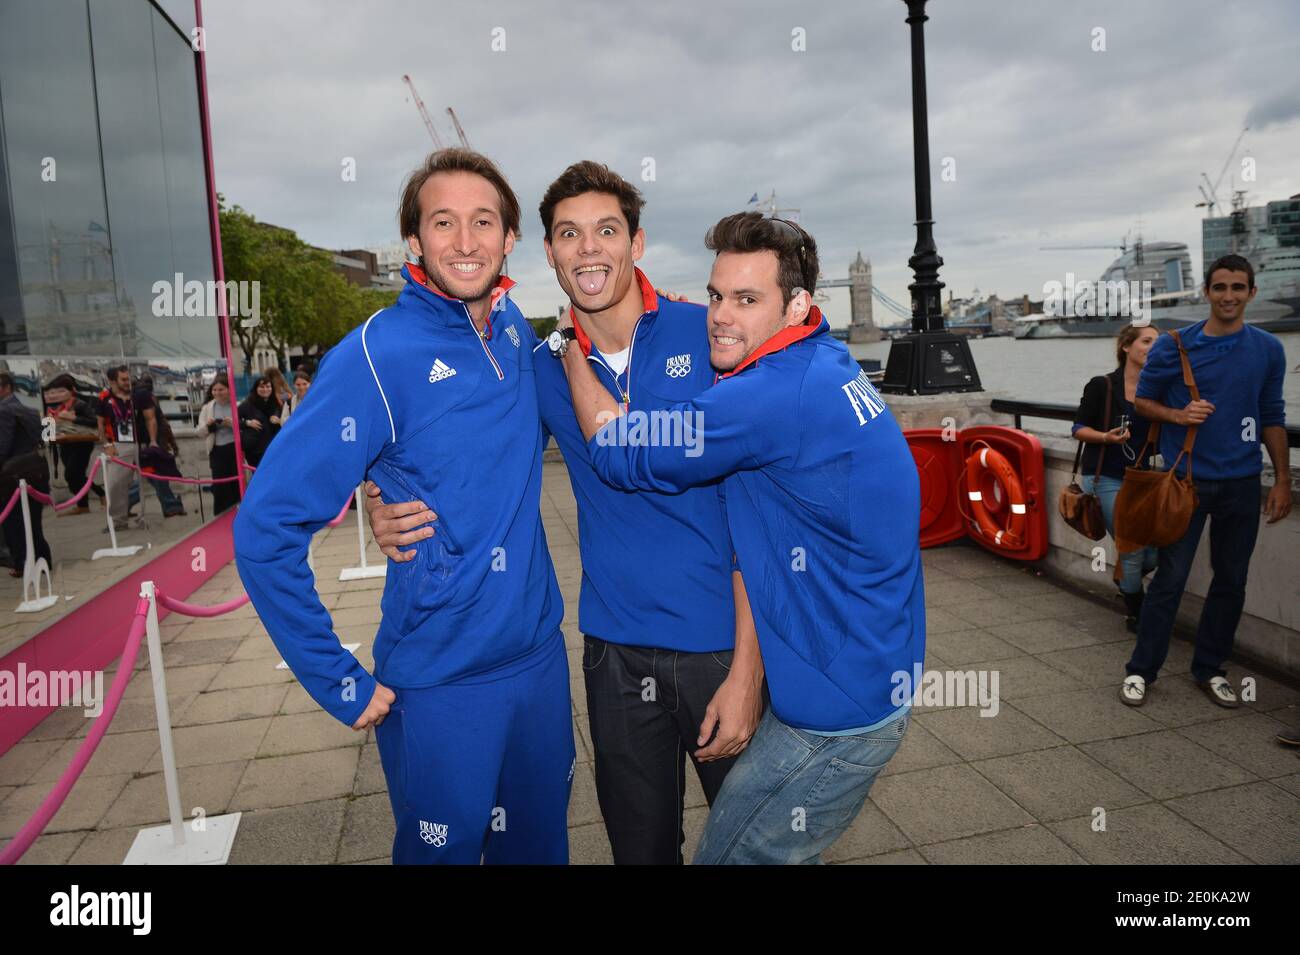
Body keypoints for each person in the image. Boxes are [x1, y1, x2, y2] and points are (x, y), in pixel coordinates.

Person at [367, 161, 764, 865]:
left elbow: (764, 514)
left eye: (606, 230)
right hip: (613, 653)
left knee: (761, 848)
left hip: (720, 648)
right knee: (641, 854)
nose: (589, 249)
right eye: (569, 234)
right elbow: (461, 443)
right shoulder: (537, 364)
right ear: (546, 251)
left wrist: (749, 672)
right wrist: (383, 495)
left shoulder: (708, 336)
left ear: (636, 243)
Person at [234, 148, 573, 865]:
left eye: (483, 221)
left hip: (540, 665)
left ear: (509, 237)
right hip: (441, 682)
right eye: (442, 222)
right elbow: (265, 530)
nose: (465, 240)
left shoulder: (513, 333)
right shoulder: (374, 355)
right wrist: (339, 679)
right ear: (414, 242)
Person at [558, 212, 924, 864]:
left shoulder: (769, 396)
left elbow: (619, 450)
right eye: (716, 295)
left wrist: (568, 349)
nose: (721, 316)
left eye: (747, 299)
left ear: (797, 304)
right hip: (863, 679)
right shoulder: (822, 355)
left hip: (834, 719)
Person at [1120, 254, 1291, 708]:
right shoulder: (1175, 345)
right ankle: (1141, 671)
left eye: (1238, 288)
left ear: (1251, 293)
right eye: (1220, 288)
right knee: (1170, 580)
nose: (1229, 296)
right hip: (1186, 484)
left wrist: (1282, 480)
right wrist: (1178, 414)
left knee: (1231, 581)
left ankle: (1210, 668)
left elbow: (1273, 415)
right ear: (1207, 293)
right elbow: (1143, 403)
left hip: (1242, 482)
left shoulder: (1269, 349)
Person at [1070, 323, 1160, 630]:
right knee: (1133, 550)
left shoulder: (1158, 389)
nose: (1152, 347)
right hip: (1106, 477)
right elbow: (1078, 428)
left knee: (1156, 551)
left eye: (1156, 343)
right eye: (1146, 341)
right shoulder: (1103, 386)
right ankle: (1140, 613)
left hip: (1146, 480)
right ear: (1126, 347)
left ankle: (1128, 582)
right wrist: (1107, 438)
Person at [0, 372, 52, 576]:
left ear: (5, 387)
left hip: (12, 477)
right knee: (33, 522)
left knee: (15, 523)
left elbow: (2, 447)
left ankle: (24, 563)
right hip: (34, 472)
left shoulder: (3, 411)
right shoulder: (29, 410)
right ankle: (43, 561)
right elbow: (44, 437)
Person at [96, 365, 159, 531]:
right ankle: (118, 522)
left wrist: (153, 441)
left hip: (140, 442)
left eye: (128, 378)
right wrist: (107, 445)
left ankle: (143, 517)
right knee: (115, 484)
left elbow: (150, 418)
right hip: (118, 445)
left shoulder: (139, 396)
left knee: (149, 480)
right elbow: (100, 424)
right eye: (123, 379)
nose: (127, 382)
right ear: (112, 381)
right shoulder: (104, 397)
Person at [42, 373, 105, 515]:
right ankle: (85, 504)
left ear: (71, 391)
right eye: (53, 392)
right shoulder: (58, 408)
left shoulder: (80, 405)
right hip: (66, 444)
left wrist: (73, 417)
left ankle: (92, 499)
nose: (56, 395)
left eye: (61, 391)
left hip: (82, 444)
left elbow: (94, 421)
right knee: (76, 475)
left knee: (72, 474)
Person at [134, 374, 185, 518]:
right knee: (156, 475)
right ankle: (171, 505)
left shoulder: (144, 398)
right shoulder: (149, 398)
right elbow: (157, 421)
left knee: (154, 475)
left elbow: (155, 421)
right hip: (151, 442)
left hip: (150, 442)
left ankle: (171, 505)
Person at [197, 375, 243, 515]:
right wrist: (209, 426)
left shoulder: (238, 405)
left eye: (221, 389)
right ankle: (221, 515)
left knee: (237, 483)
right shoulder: (207, 408)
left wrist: (232, 424)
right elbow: (199, 432)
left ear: (229, 390)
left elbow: (244, 427)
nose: (217, 393)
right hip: (217, 449)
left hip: (234, 448)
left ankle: (239, 512)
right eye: (214, 390)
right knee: (220, 484)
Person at [237, 377, 274, 467]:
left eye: (268, 386)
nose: (265, 389)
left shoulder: (275, 403)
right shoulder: (247, 404)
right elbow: (233, 421)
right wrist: (247, 423)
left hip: (272, 447)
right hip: (255, 450)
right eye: (261, 387)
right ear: (255, 388)